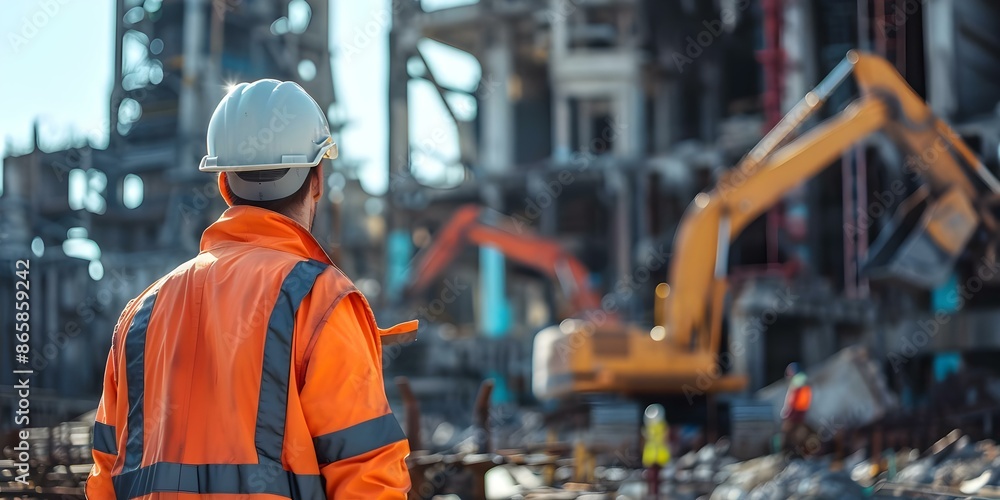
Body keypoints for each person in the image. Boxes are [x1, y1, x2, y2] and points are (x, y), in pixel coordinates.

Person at [87, 80, 417, 499]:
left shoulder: (140, 315)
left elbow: (105, 476)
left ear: (224, 183)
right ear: (317, 180)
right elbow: (368, 480)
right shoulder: (320, 301)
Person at [780, 362, 812, 456]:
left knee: (789, 436)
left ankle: (788, 455)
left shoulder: (797, 384)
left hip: (795, 414)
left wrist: (788, 415)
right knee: (797, 436)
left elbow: (794, 402)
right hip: (800, 414)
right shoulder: (803, 383)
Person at [641, 404, 670, 498]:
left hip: (656, 456)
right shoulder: (662, 427)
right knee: (654, 479)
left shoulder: (652, 428)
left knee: (654, 479)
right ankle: (654, 495)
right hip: (655, 456)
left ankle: (654, 495)